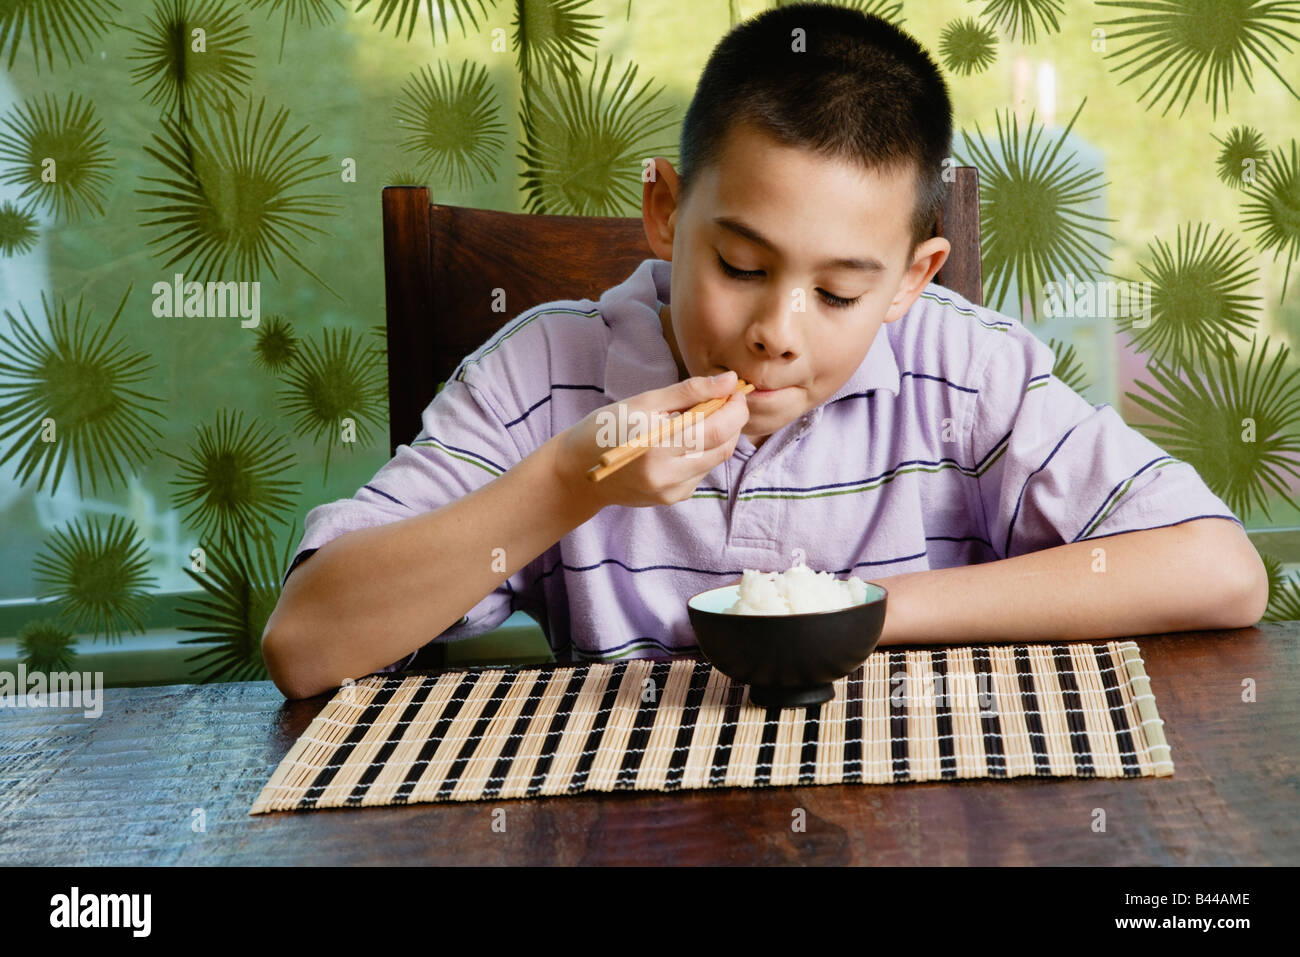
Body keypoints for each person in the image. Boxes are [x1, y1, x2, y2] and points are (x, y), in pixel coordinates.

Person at [263, 4, 1267, 700]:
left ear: (911, 281)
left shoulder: (962, 373)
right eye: (740, 265)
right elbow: (306, 644)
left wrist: (853, 610)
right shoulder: (540, 375)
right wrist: (572, 479)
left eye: (838, 291)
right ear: (664, 211)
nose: (777, 332)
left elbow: (1219, 572)